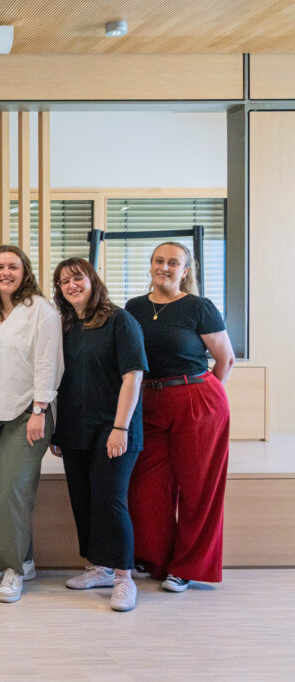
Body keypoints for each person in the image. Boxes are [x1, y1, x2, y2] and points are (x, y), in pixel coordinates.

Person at [125, 242, 234, 593]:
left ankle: (186, 567)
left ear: (185, 271)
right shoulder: (134, 307)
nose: (165, 267)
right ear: (151, 265)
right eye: (159, 261)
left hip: (196, 398)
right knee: (146, 486)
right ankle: (156, 558)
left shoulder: (199, 307)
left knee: (197, 487)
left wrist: (203, 399)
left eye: (174, 263)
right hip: (149, 401)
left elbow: (225, 359)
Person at [50, 258, 146, 612]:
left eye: (77, 278)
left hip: (114, 428)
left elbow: (132, 377)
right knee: (84, 500)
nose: (71, 285)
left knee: (110, 501)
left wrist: (120, 427)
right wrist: (59, 430)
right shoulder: (66, 326)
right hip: (76, 428)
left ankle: (124, 578)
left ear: (93, 280)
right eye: (63, 282)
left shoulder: (121, 320)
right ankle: (98, 567)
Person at [0, 244, 63, 604]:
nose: (5, 273)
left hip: (29, 413)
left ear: (25, 271)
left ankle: (10, 570)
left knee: (13, 489)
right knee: (2, 491)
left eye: (13, 266)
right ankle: (24, 559)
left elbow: (48, 361)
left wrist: (40, 409)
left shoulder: (40, 309)